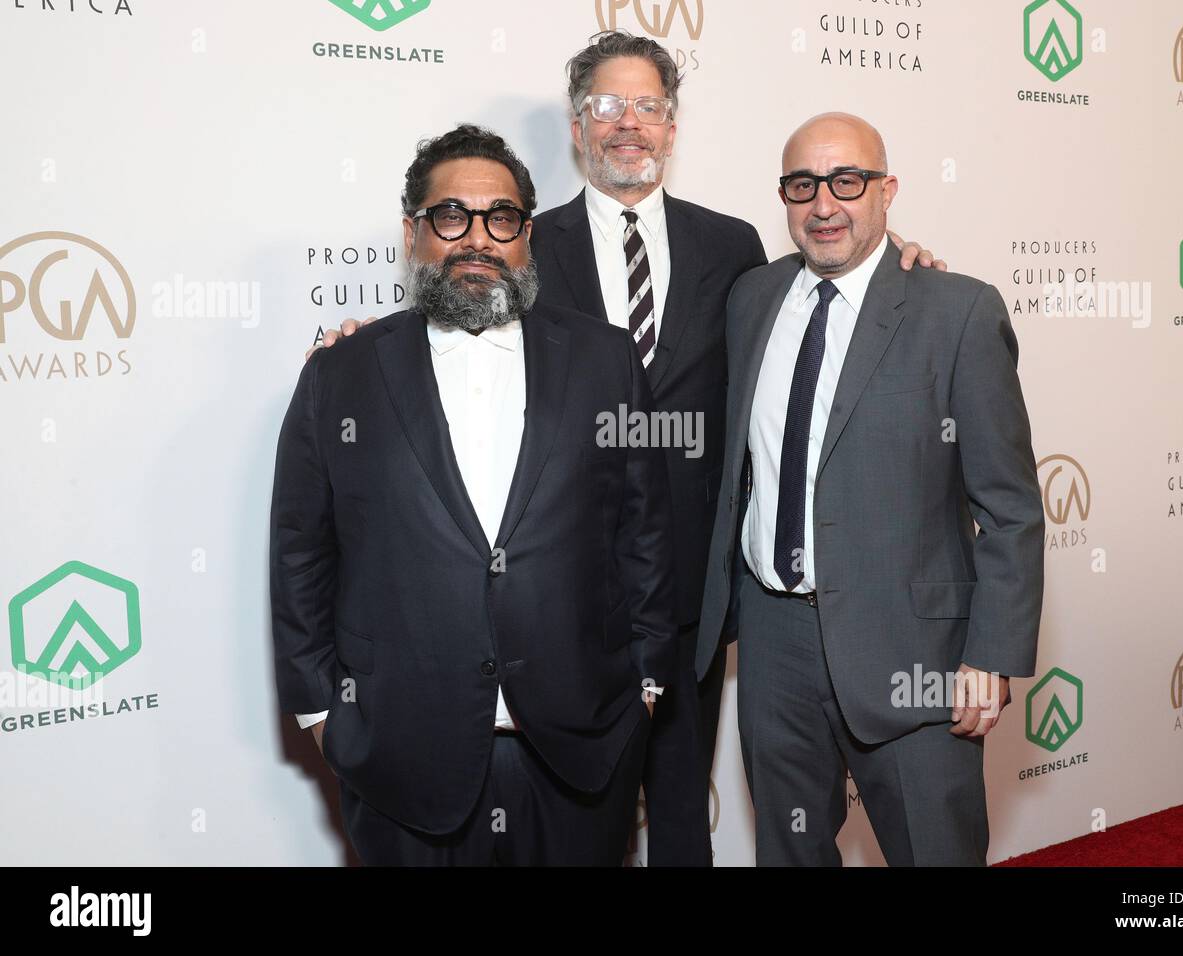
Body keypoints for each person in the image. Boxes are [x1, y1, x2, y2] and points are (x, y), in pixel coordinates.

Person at [312, 30, 946, 866]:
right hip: (557, 598)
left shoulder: (734, 246)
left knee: (682, 809)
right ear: (578, 127)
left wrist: (906, 263)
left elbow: (827, 298)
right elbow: (456, 337)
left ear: (673, 126)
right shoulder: (519, 240)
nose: (628, 123)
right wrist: (367, 343)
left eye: (648, 105)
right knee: (569, 818)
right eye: (607, 105)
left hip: (686, 591)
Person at [271, 124, 675, 865]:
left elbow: (643, 531)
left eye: (502, 219)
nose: (477, 240)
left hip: (580, 751)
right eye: (451, 217)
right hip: (400, 756)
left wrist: (644, 685)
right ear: (412, 232)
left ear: (528, 234)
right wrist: (323, 712)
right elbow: (301, 553)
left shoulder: (606, 361)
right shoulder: (341, 374)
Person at [695, 112, 1045, 866]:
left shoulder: (957, 311)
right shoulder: (751, 298)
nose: (824, 204)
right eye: (802, 185)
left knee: (934, 850)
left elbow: (1010, 505)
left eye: (846, 182)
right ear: (783, 197)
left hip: (914, 646)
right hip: (773, 641)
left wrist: (992, 655)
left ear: (887, 190)